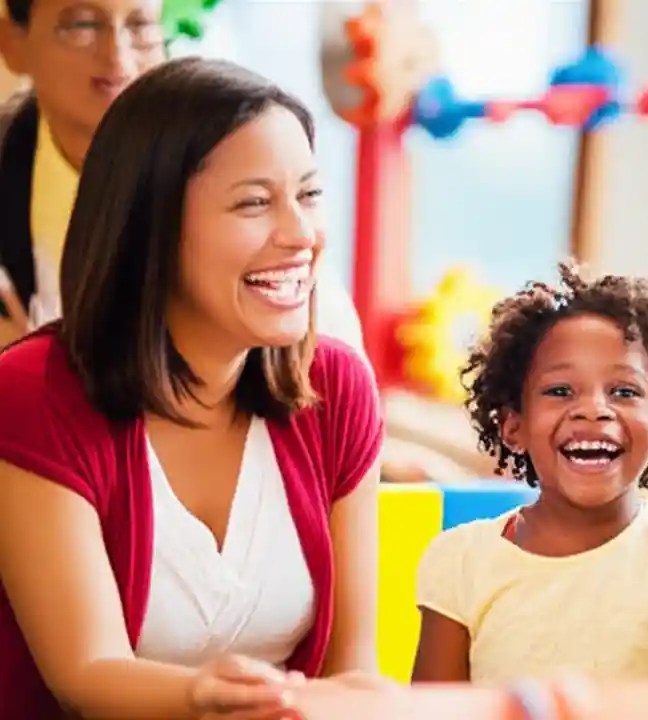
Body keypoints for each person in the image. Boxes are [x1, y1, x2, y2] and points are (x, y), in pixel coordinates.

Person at [0, 57, 383, 718]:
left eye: (310, 195)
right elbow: (85, 673)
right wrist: (210, 695)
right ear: (150, 224)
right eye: (254, 202)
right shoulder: (31, 392)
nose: (300, 235)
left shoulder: (337, 387)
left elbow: (353, 670)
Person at [411, 262, 648, 699]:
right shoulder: (461, 562)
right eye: (560, 391)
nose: (593, 409)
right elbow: (433, 712)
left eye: (623, 392)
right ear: (514, 425)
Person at [0, 0, 364, 354]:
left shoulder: (234, 154)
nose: (118, 58)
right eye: (82, 25)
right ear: (12, 41)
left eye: (140, 25)